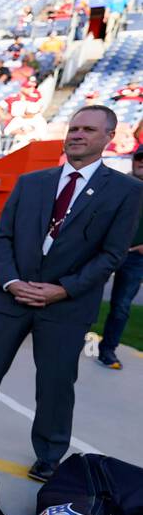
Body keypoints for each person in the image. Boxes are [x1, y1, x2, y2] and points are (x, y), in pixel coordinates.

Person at [0, 106, 143, 481]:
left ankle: (50, 453)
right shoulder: (31, 183)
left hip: (67, 306)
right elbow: (3, 238)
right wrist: (11, 281)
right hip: (13, 296)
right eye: (74, 128)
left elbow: (112, 254)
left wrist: (63, 289)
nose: (77, 134)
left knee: (56, 382)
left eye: (88, 129)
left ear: (109, 137)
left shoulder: (127, 191)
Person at [97, 147, 143, 370]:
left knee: (121, 306)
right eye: (140, 158)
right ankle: (72, 341)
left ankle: (108, 350)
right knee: (87, 297)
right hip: (106, 252)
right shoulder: (118, 184)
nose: (142, 162)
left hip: (135, 257)